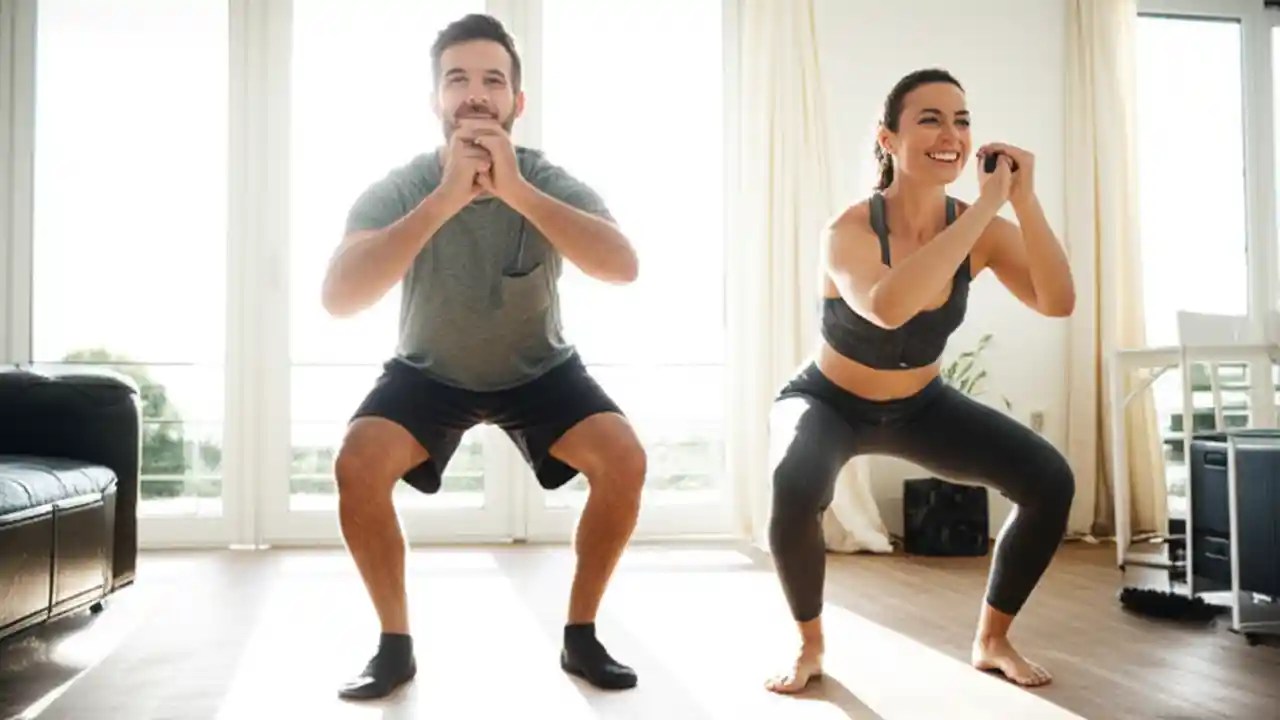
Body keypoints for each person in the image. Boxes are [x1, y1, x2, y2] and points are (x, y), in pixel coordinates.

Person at [321, 13, 646, 700]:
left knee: (624, 458)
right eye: (458, 80)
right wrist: (442, 202)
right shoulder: (404, 185)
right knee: (357, 462)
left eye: (492, 81)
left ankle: (580, 636)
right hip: (426, 372)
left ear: (516, 103)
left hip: (541, 371)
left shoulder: (546, 177)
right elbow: (339, 297)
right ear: (436, 99)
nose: (475, 94)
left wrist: (517, 194)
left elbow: (622, 266)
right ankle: (394, 646)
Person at [764, 68, 1077, 693]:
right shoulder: (849, 229)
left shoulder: (981, 225)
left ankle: (993, 639)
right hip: (828, 401)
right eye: (930, 118)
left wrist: (1024, 202)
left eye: (962, 120)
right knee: (794, 484)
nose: (952, 134)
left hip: (921, 406)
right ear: (888, 138)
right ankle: (809, 646)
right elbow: (888, 306)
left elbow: (1057, 300)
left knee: (1049, 481)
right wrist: (987, 207)